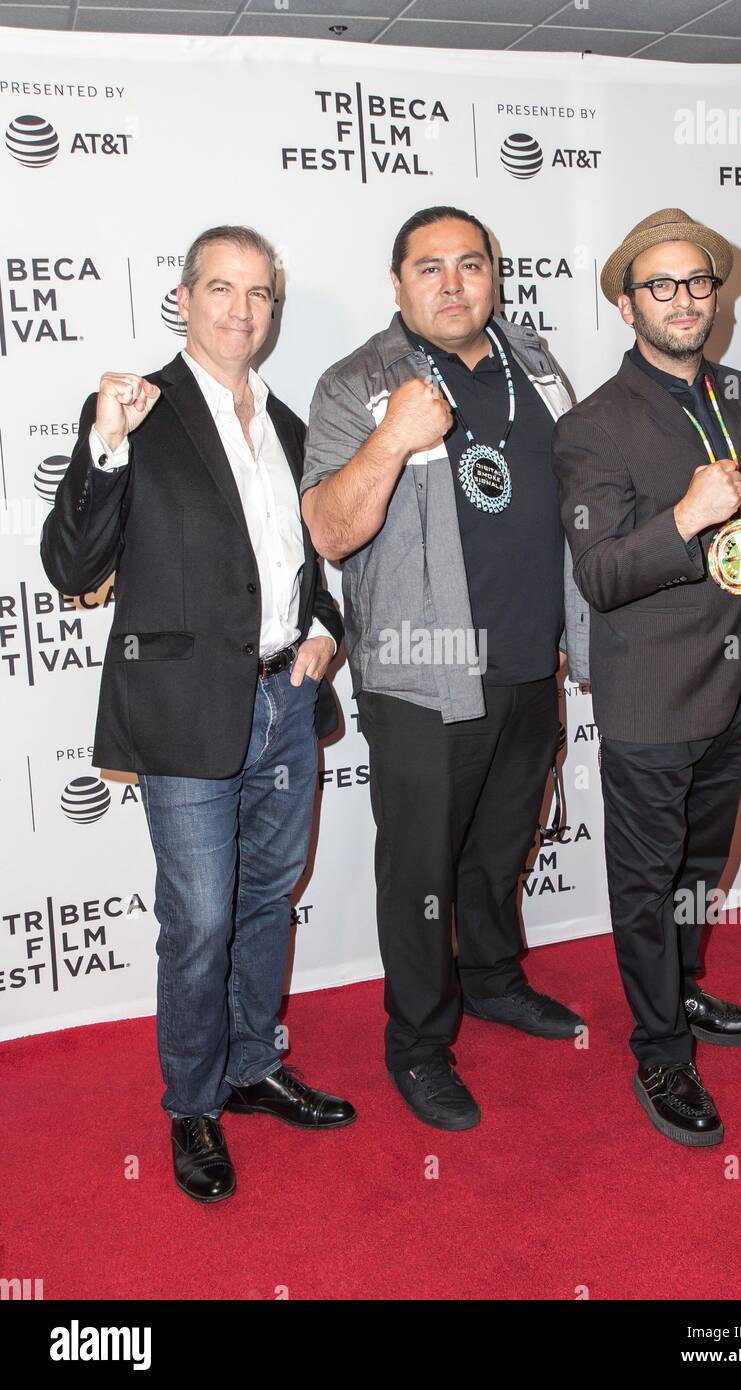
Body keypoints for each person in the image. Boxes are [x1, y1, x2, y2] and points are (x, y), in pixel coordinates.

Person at [41, 225, 355, 1204]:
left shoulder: (288, 426)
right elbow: (72, 565)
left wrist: (322, 631)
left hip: (285, 698)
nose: (240, 310)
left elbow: (301, 569)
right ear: (184, 297)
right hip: (183, 713)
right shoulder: (140, 408)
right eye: (221, 288)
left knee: (267, 897)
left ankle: (252, 1062)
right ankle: (191, 1102)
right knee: (200, 916)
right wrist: (103, 443)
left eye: (258, 293)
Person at [301, 206, 588, 1132]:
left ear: (495, 276)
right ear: (398, 283)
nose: (454, 284)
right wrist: (393, 438)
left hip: (526, 662)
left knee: (501, 846)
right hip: (424, 679)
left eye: (472, 265)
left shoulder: (536, 365)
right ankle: (418, 1040)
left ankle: (496, 980)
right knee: (420, 865)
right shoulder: (358, 383)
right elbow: (331, 532)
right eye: (431, 267)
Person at [552, 208, 741, 1147]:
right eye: (662, 286)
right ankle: (658, 1048)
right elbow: (601, 573)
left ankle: (681, 993)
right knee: (647, 883)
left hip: (732, 685)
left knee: (699, 867)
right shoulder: (592, 428)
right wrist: (685, 517)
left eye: (699, 283)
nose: (684, 300)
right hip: (652, 693)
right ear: (625, 303)